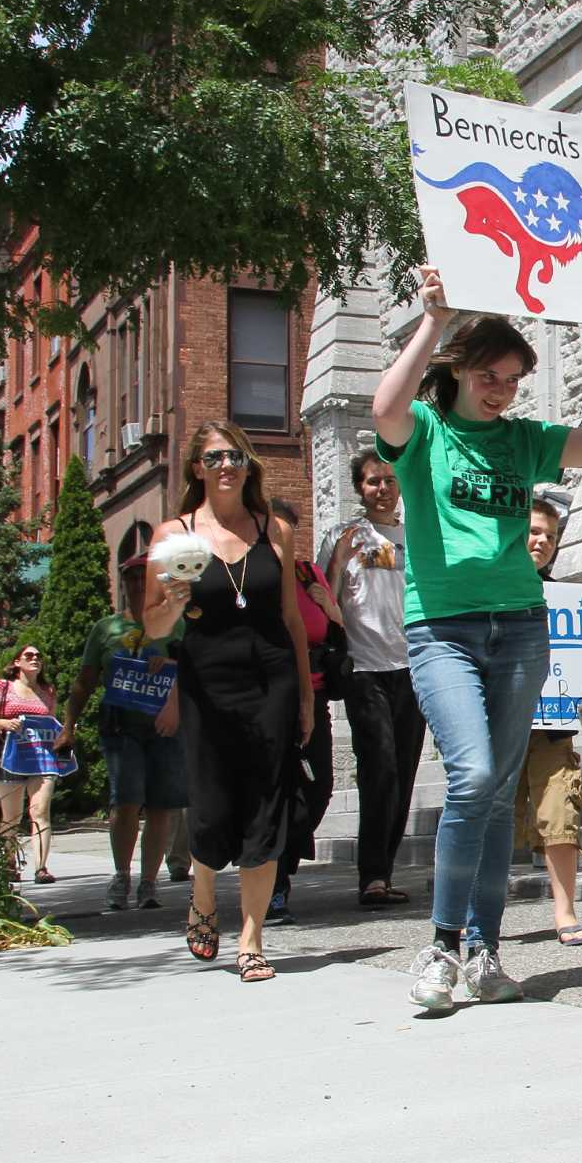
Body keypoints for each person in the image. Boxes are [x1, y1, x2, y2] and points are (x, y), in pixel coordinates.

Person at [371, 271, 582, 1015]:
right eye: (488, 376)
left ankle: (485, 951)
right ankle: (441, 945)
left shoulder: (525, 442)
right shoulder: (427, 432)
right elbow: (385, 409)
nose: (500, 391)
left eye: (513, 380)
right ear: (457, 370)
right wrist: (432, 321)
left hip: (520, 626)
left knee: (493, 793)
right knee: (472, 777)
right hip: (443, 631)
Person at [144, 421, 314, 984]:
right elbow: (153, 625)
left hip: (272, 678)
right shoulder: (176, 532)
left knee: (267, 803)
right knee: (212, 805)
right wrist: (172, 603)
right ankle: (202, 891)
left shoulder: (276, 530)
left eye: (235, 456)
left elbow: (290, 616)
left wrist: (306, 696)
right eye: (214, 457)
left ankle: (251, 940)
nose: (226, 466)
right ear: (197, 467)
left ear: (249, 466)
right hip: (207, 680)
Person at [322, 452, 426, 908]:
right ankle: (372, 875)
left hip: (414, 665)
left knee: (402, 769)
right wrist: (339, 559)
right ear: (359, 489)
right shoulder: (343, 536)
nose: (382, 488)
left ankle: (383, 869)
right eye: (371, 482)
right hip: (364, 667)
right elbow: (320, 595)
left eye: (388, 480)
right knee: (378, 766)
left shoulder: (418, 533)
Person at [59, 552, 186, 911]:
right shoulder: (106, 629)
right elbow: (84, 682)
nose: (136, 586)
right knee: (125, 799)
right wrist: (68, 725)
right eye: (130, 579)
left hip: (164, 721)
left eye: (144, 579)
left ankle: (149, 883)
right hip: (121, 721)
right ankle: (121, 875)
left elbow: (196, 668)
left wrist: (172, 663)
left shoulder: (176, 625)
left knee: (161, 804)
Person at [514, 497, 582, 944]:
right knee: (489, 819)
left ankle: (565, 913)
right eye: (533, 531)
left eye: (550, 535)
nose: (541, 540)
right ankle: (471, 918)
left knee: (561, 811)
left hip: (551, 727)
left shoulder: (565, 597)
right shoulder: (487, 588)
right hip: (498, 726)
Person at [268, 497, 341, 926]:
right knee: (278, 796)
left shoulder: (307, 574)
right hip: (270, 699)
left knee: (320, 789)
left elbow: (335, 628)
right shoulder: (252, 579)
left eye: (288, 532)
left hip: (314, 697)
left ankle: (284, 862)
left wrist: (327, 605)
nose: (281, 540)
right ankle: (274, 885)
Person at [0, 644, 62, 882]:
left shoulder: (48, 690)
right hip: (11, 758)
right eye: (29, 655)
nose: (35, 659)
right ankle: (8, 861)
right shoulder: (3, 687)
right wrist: (6, 724)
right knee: (12, 817)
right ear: (17, 662)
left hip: (41, 759)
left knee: (40, 811)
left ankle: (41, 868)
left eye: (38, 656)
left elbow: (51, 722)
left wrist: (63, 731)